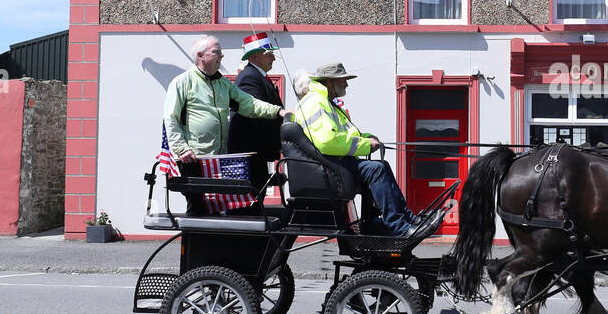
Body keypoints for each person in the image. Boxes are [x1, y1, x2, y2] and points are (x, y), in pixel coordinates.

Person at [164, 35, 291, 214]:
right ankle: (194, 243)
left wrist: (278, 111)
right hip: (193, 159)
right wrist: (181, 149)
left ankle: (214, 243)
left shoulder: (223, 84)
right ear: (201, 55)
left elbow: (249, 104)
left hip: (218, 159)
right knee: (197, 210)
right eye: (217, 52)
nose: (222, 56)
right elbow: (171, 118)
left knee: (217, 208)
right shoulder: (182, 82)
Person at [294, 62, 419, 235]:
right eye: (342, 80)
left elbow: (342, 133)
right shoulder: (316, 103)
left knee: (382, 166)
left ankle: (406, 217)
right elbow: (328, 142)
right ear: (330, 82)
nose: (346, 84)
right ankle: (399, 227)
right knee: (377, 170)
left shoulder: (323, 101)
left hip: (334, 161)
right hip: (330, 164)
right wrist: (366, 146)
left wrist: (366, 137)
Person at [228, 32, 284, 191]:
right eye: (269, 54)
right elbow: (257, 114)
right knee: (249, 208)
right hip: (249, 156)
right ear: (255, 56)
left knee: (257, 205)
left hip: (256, 155)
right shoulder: (249, 78)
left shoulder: (258, 77)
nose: (273, 58)